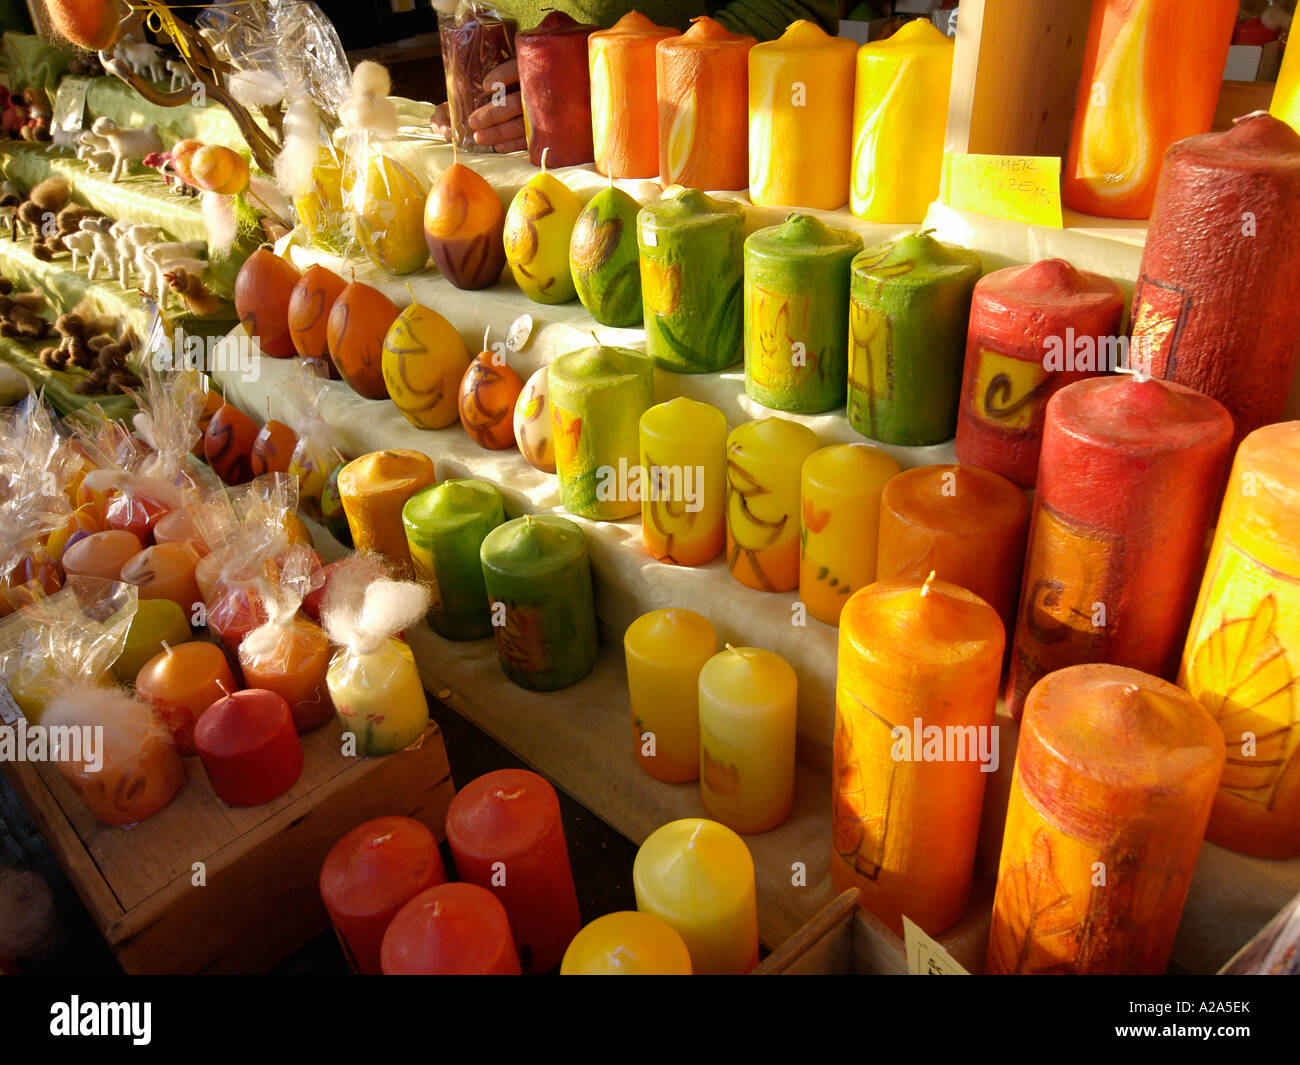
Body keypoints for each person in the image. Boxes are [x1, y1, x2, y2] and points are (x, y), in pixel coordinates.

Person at [430, 0, 839, 153]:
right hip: (510, 163)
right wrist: (474, 82)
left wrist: (614, 85)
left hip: (684, 167)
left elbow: (799, 4)